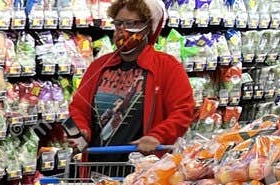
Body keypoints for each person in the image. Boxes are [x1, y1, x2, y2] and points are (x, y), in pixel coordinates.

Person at [69, 0, 195, 154]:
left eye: (131, 24)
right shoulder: (100, 65)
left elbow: (182, 111)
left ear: (148, 27)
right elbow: (79, 107)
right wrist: (81, 130)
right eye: (118, 24)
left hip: (143, 170)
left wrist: (158, 136)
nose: (122, 30)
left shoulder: (167, 66)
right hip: (96, 164)